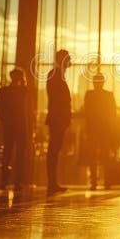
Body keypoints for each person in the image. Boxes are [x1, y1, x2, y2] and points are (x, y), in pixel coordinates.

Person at [0, 68, 30, 190]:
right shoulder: (22, 91)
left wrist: (5, 120)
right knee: (18, 153)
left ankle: (5, 180)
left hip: (11, 125)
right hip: (19, 125)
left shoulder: (5, 91)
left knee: (8, 152)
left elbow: (0, 108)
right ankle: (16, 181)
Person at [83, 73, 117, 190]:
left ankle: (94, 182)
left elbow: (86, 113)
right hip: (105, 129)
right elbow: (113, 113)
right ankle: (107, 181)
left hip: (93, 129)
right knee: (106, 156)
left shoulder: (89, 95)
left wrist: (86, 129)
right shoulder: (109, 95)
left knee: (92, 157)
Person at [46, 49, 72, 195]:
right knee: (53, 150)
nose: (70, 61)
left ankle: (52, 182)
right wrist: (63, 118)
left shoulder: (56, 75)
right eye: (68, 58)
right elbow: (59, 100)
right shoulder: (55, 75)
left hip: (57, 119)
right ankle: (52, 182)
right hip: (57, 119)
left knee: (54, 150)